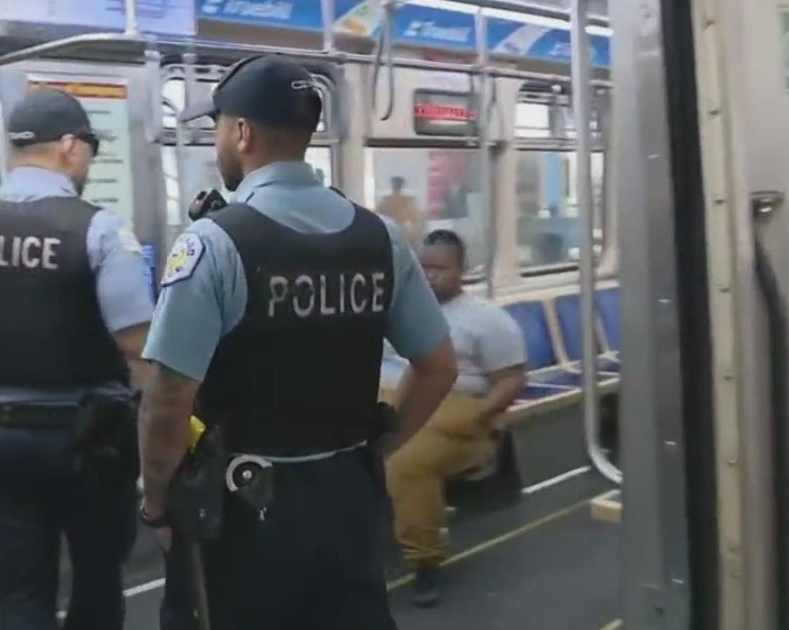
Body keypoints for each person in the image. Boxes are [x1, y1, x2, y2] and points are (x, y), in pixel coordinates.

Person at [136, 54, 458, 630]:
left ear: (241, 133)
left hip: (244, 510)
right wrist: (377, 451)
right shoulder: (379, 238)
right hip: (349, 501)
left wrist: (157, 501)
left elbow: (166, 397)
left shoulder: (213, 244)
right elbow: (437, 367)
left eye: (218, 130)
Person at [0, 88, 152, 630]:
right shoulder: (98, 229)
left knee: (20, 585)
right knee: (98, 577)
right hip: (89, 441)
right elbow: (137, 341)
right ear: (71, 147)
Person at [381, 229, 528, 608]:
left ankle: (424, 561)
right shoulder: (396, 310)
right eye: (424, 268)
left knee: (404, 464)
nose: (430, 276)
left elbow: (511, 379)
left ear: (463, 270)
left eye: (440, 269)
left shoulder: (487, 319)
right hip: (390, 396)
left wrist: (481, 415)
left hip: (457, 407)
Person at [376, 175, 425, 246]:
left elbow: (415, 216)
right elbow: (377, 213)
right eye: (394, 184)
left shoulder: (408, 200)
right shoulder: (386, 199)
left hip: (402, 228)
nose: (396, 187)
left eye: (397, 185)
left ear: (401, 186)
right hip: (389, 228)